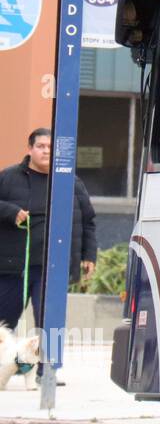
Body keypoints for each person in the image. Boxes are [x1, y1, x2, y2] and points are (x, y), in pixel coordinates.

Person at [0, 129, 98, 335]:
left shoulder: (71, 182)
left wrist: (89, 255)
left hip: (52, 268)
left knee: (48, 325)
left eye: (51, 147)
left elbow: (88, 221)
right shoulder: (8, 177)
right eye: (41, 146)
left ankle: (47, 366)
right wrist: (11, 212)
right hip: (13, 268)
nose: (46, 151)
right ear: (30, 149)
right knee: (4, 324)